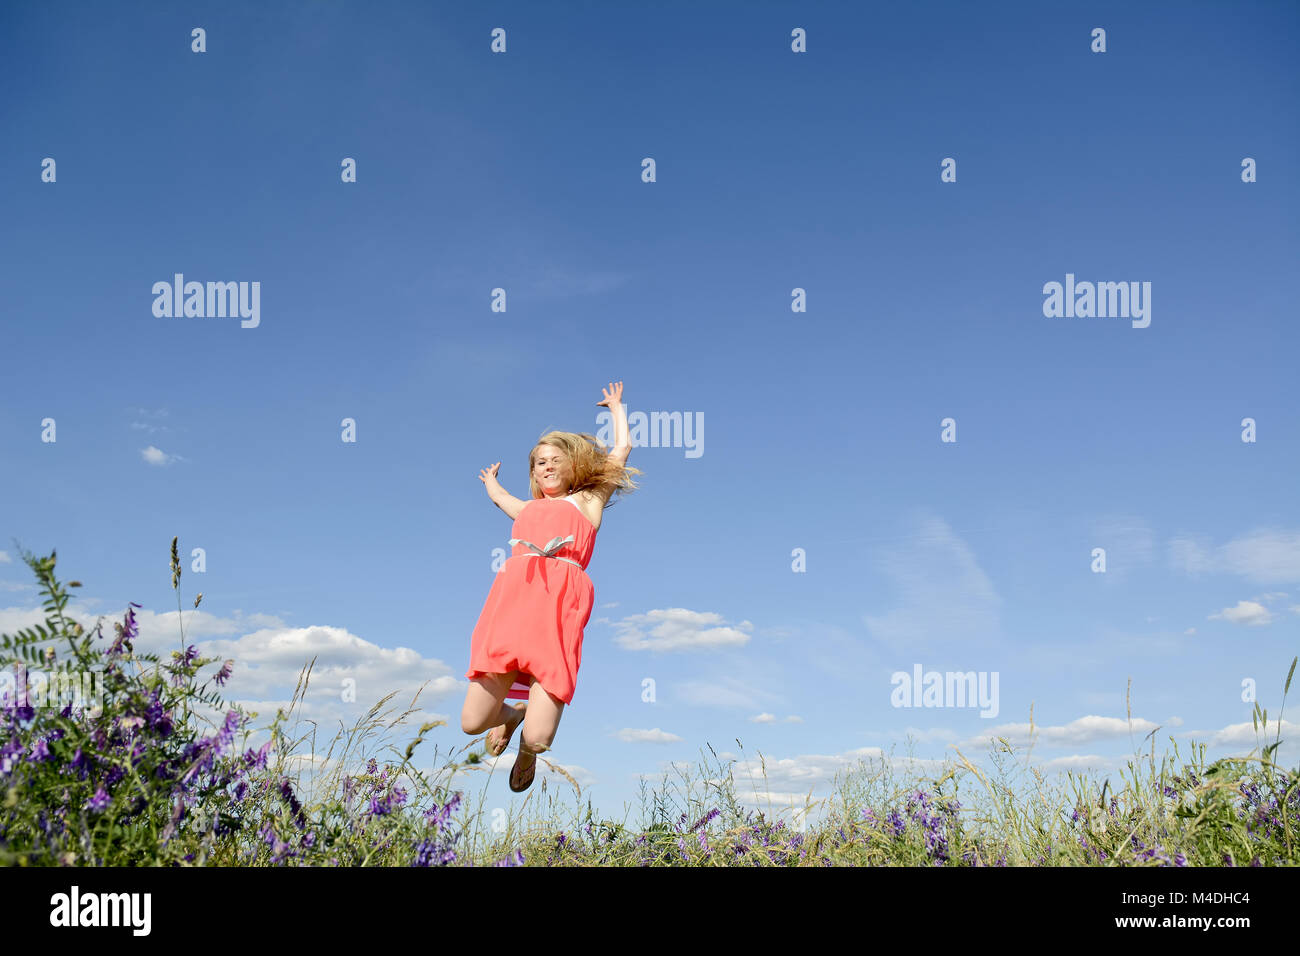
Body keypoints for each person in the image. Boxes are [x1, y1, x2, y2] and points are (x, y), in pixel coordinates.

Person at [461, 381, 642, 792]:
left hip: (558, 610)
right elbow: (500, 499)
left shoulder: (587, 502)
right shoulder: (526, 509)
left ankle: (525, 751)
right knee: (472, 723)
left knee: (540, 739)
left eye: (554, 460)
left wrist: (616, 408)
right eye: (538, 462)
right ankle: (510, 714)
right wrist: (490, 482)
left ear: (574, 465)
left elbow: (621, 451)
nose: (544, 467)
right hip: (510, 608)